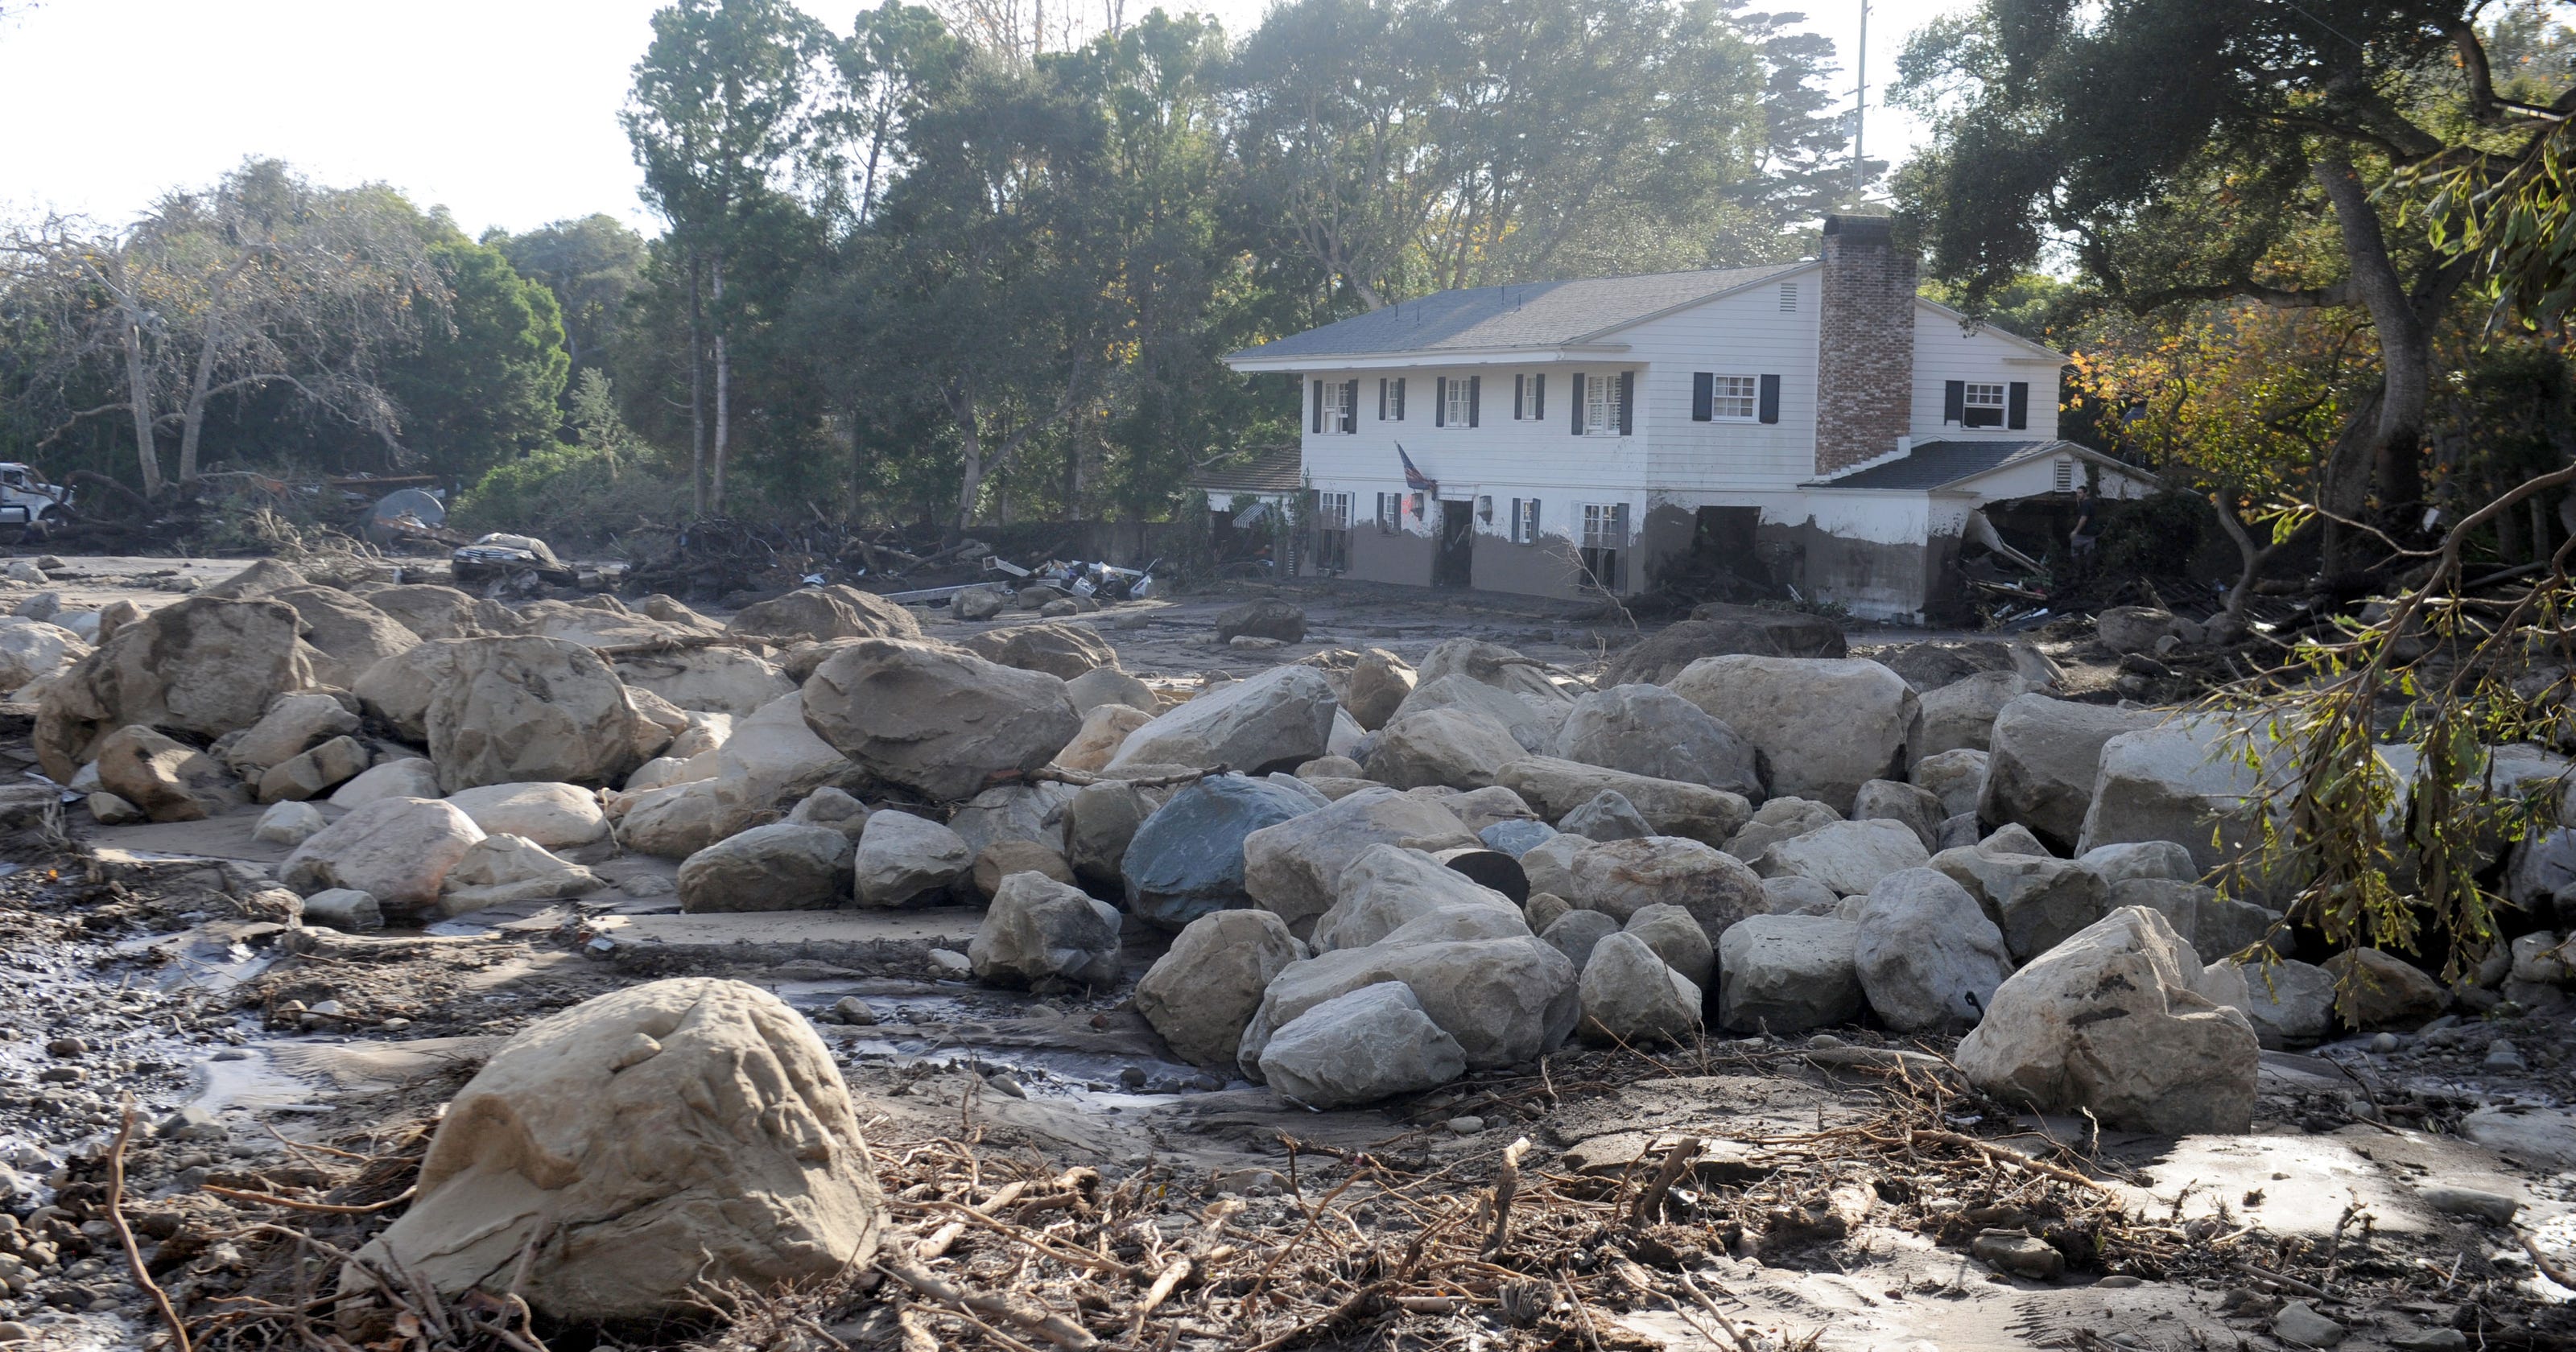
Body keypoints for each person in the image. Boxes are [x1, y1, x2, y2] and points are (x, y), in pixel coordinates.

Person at [2069, 483, 2100, 562]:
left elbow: (2083, 519)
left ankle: (2078, 573)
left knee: (2076, 556)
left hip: (2083, 535)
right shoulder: (2089, 503)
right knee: (2088, 557)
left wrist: (2075, 531)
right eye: (2077, 493)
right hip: (2090, 535)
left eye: (2080, 493)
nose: (2078, 495)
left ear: (2085, 494)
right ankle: (2087, 573)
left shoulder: (2086, 505)